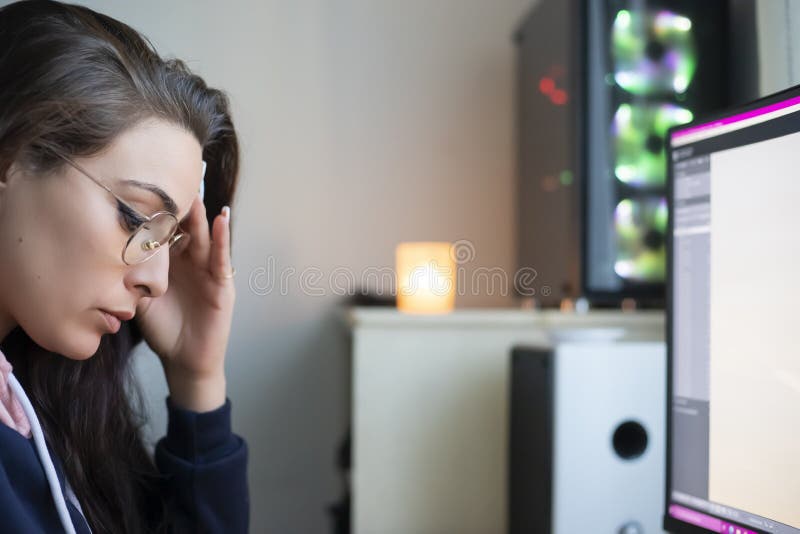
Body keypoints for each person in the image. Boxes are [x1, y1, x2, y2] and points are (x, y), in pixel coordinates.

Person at [0, 0, 249, 532]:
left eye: (168, 240)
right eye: (136, 218)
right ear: (12, 159)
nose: (156, 282)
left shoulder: (34, 408)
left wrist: (197, 374)